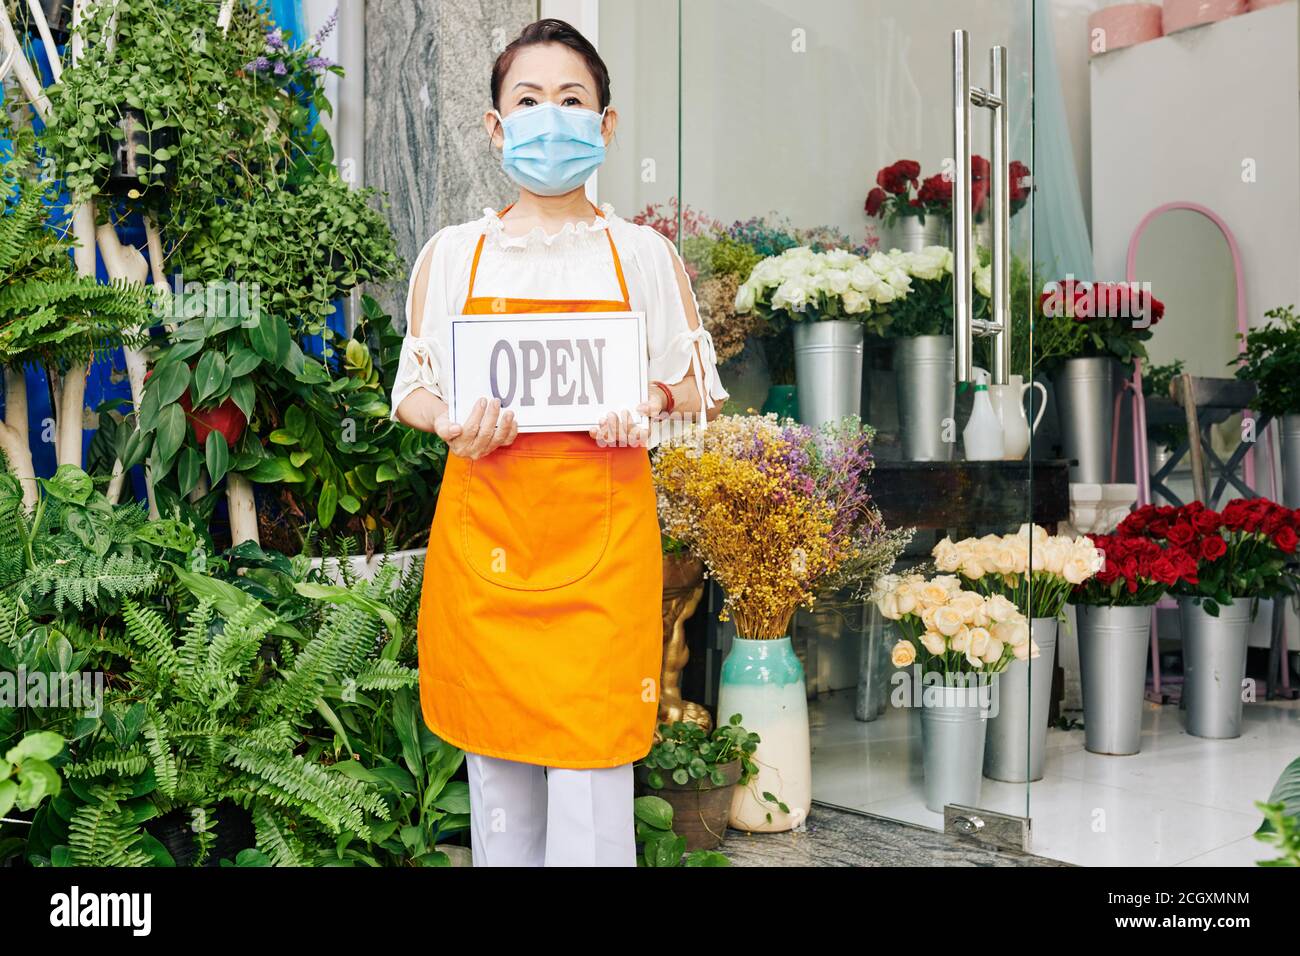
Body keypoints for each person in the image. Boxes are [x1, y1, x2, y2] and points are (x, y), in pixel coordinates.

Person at [391, 18, 728, 867]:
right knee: (497, 774)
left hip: (604, 550)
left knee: (594, 782)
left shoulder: (644, 257)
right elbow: (412, 389)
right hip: (488, 546)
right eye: (528, 99)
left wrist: (649, 400)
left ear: (606, 124)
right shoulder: (455, 255)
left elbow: (702, 396)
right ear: (496, 126)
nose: (551, 116)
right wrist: (450, 424)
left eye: (571, 99)